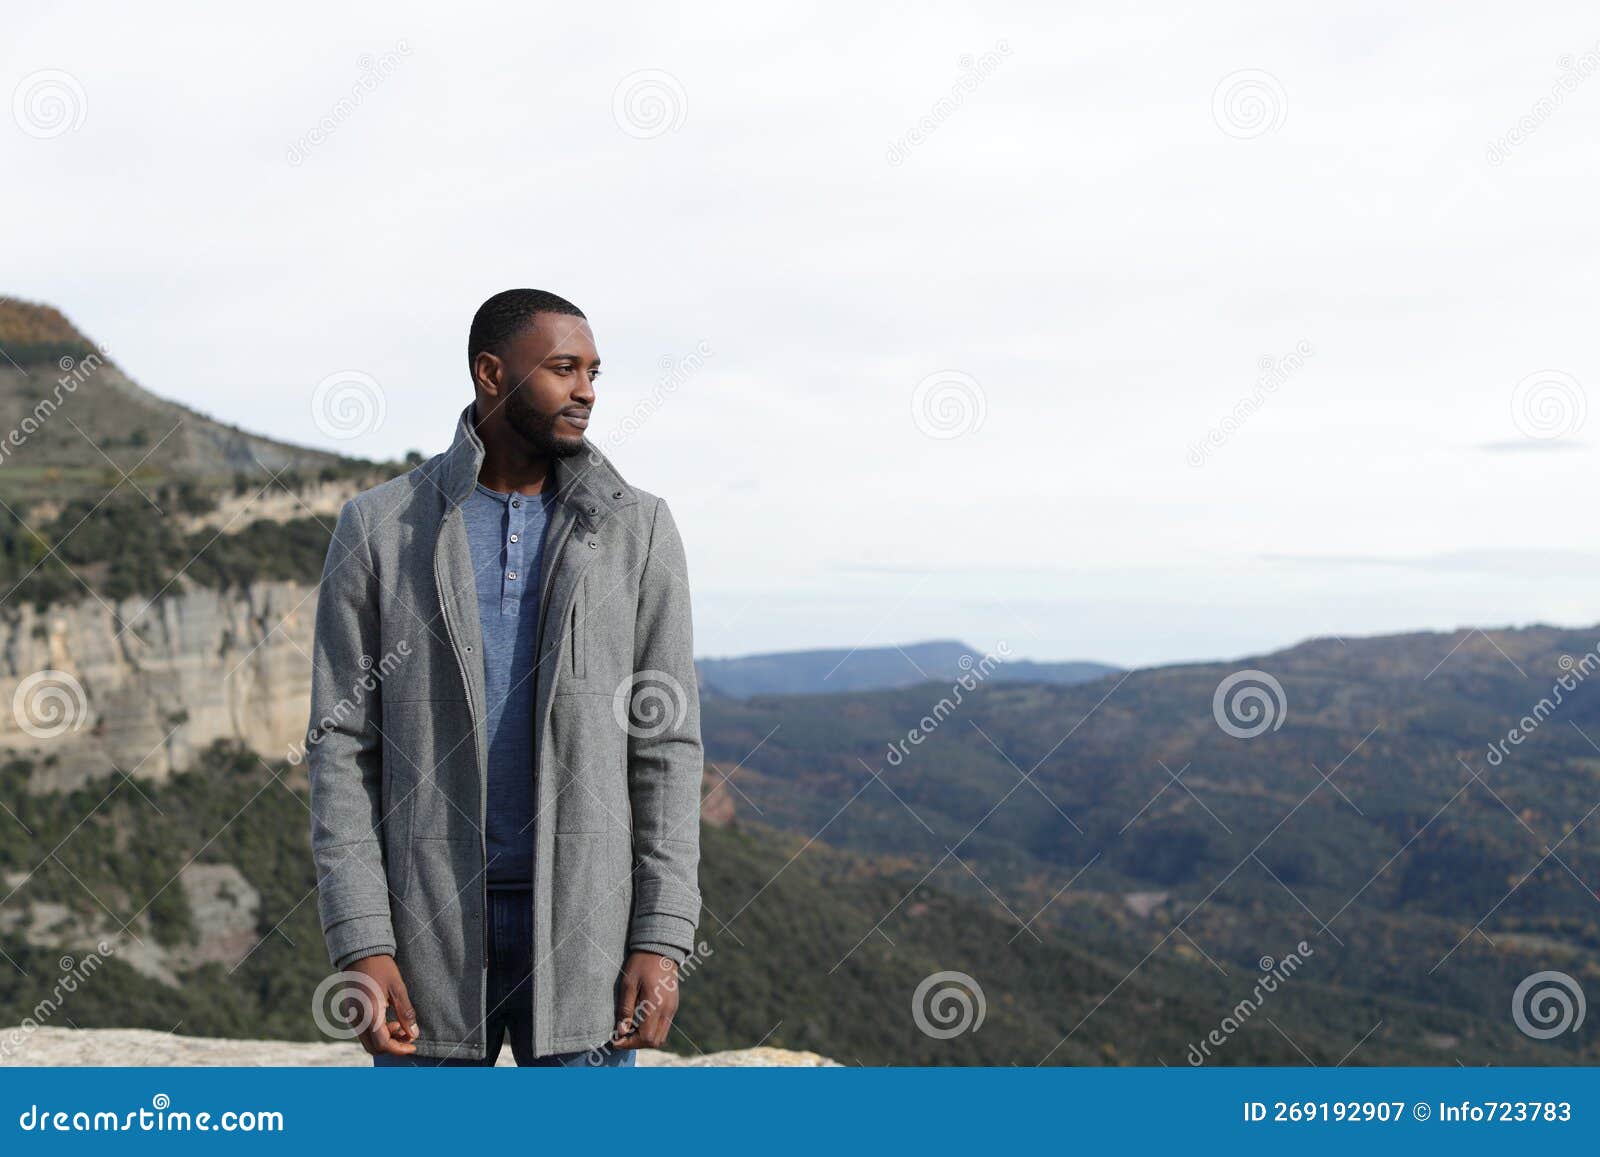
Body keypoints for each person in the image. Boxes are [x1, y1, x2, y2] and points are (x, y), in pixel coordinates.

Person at [306, 289, 703, 1065]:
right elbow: (341, 747)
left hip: (591, 935)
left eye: (593, 371)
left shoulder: (639, 527)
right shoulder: (382, 527)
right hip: (425, 939)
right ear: (491, 373)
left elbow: (668, 747)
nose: (586, 389)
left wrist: (662, 936)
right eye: (562, 368)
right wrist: (362, 939)